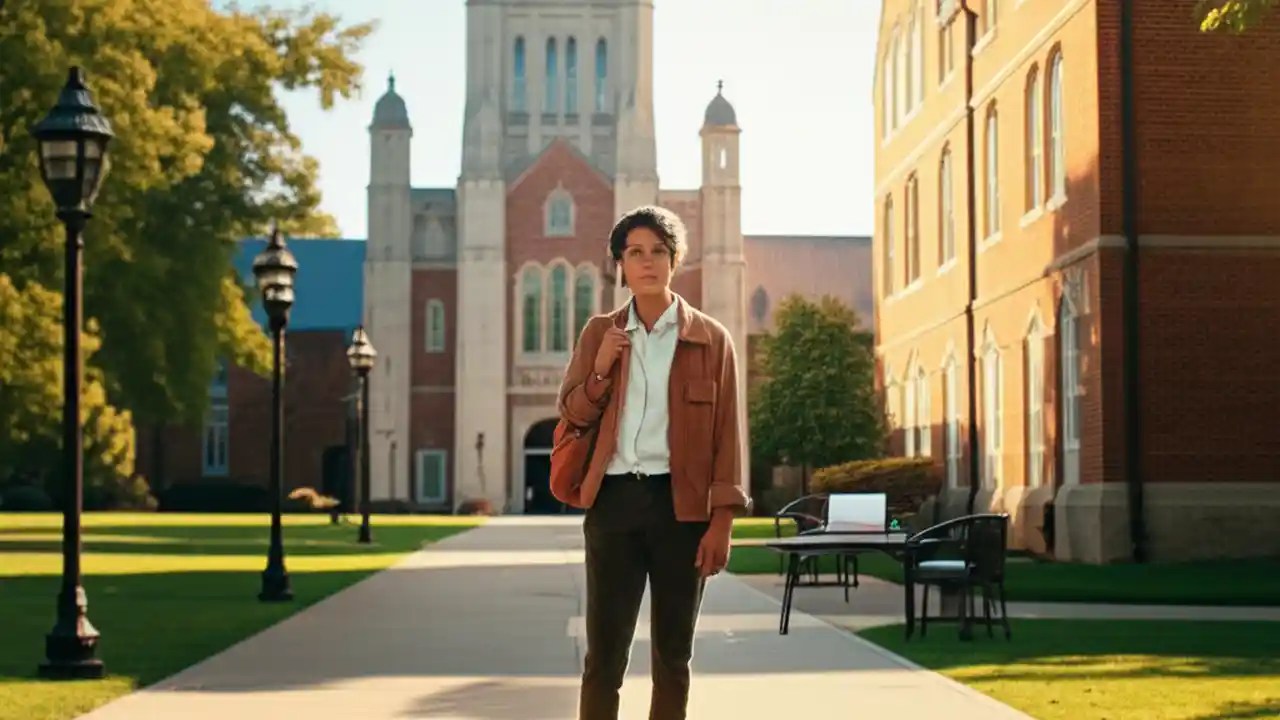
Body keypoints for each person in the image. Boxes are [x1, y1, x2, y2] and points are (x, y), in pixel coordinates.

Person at [557, 205, 750, 720]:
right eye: (635, 253)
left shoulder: (712, 340)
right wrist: (600, 371)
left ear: (675, 259)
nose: (648, 263)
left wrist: (722, 523)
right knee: (603, 660)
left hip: (680, 512)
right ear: (620, 264)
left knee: (673, 657)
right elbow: (573, 414)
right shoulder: (599, 333)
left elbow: (728, 438)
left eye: (659, 252)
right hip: (614, 506)